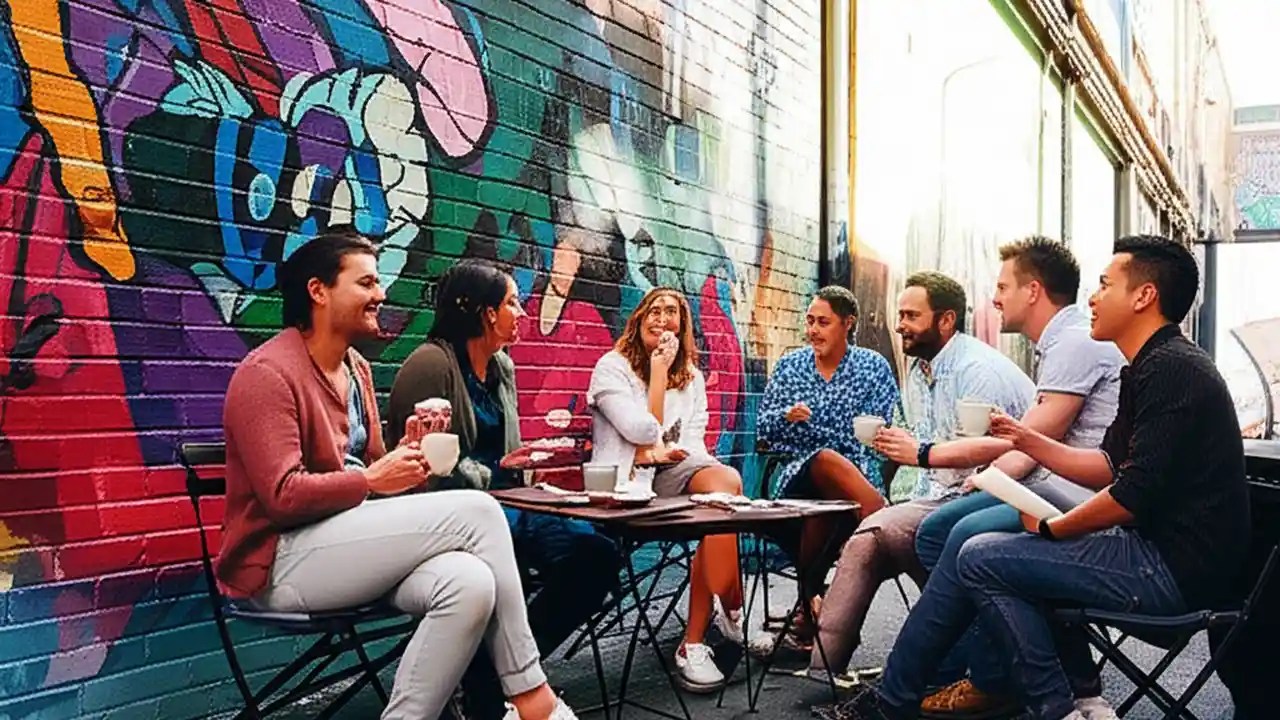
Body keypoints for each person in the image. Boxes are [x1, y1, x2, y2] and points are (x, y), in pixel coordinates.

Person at [822, 235, 1251, 720]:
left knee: (982, 556)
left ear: (1143, 296)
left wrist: (1052, 529)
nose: (1091, 297)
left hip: (1171, 572)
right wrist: (1027, 440)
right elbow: (1108, 465)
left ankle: (1037, 706)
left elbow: (1131, 495)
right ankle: (1048, 702)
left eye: (1105, 285)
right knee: (984, 552)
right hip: (1154, 555)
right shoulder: (1147, 366)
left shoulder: (1172, 371)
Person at [217, 228, 576, 720]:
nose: (381, 294)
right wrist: (370, 481)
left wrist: (407, 456)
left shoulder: (357, 368)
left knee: (468, 582)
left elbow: (374, 476)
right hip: (282, 564)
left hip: (350, 549)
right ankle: (533, 697)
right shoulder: (267, 374)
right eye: (365, 283)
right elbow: (282, 497)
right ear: (318, 292)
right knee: (478, 510)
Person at [869, 237, 1125, 719]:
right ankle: (985, 669)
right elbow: (1026, 443)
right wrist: (979, 480)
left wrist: (943, 463)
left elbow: (1027, 444)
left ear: (1033, 291)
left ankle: (958, 682)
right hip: (1057, 487)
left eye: (1003, 286)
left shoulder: (1073, 341)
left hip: (1080, 498)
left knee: (964, 536)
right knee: (935, 533)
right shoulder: (1061, 342)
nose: (994, 298)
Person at [387, 260, 620, 719]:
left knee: (597, 553)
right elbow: (423, 469)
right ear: (485, 312)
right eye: (513, 302)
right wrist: (489, 479)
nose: (522, 312)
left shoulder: (503, 368)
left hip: (512, 506)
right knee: (497, 568)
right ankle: (496, 689)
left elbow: (507, 457)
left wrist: (534, 463)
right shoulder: (431, 364)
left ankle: (494, 671)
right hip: (453, 516)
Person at [805, 271, 1036, 680]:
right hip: (944, 495)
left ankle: (940, 666)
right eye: (900, 314)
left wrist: (919, 457)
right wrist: (902, 449)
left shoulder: (977, 370)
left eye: (911, 315)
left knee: (876, 535)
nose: (899, 325)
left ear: (945, 321)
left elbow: (1001, 455)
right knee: (869, 539)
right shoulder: (920, 370)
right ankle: (825, 670)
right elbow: (933, 450)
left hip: (994, 498)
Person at [587, 287, 745, 693]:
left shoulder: (690, 375)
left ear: (683, 324)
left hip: (671, 472)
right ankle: (733, 607)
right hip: (628, 482)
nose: (662, 319)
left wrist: (675, 454)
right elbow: (641, 432)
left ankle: (692, 643)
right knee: (716, 513)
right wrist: (657, 373)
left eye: (672, 312)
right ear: (638, 320)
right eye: (653, 311)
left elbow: (695, 441)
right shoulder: (613, 368)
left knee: (724, 487)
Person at [755, 285, 899, 650]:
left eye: (823, 322)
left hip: (853, 481)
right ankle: (886, 527)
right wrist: (788, 416)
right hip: (798, 475)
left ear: (847, 324)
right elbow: (764, 429)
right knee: (824, 459)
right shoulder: (791, 366)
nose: (813, 330)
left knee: (824, 513)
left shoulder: (873, 367)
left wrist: (816, 429)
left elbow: (877, 430)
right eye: (810, 321)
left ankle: (808, 606)